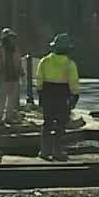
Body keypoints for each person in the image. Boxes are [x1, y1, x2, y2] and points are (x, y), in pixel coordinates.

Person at [35, 33, 80, 161]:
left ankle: (44, 150)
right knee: (61, 123)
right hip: (62, 95)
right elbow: (74, 82)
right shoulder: (70, 64)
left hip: (47, 94)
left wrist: (40, 93)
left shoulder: (44, 61)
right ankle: (57, 150)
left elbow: (39, 80)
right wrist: (75, 96)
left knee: (47, 123)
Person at [0, 27, 25, 125]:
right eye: (9, 37)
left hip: (14, 77)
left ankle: (9, 117)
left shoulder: (15, 49)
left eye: (12, 37)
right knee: (2, 98)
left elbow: (18, 62)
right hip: (4, 77)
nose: (11, 39)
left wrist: (21, 73)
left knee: (12, 99)